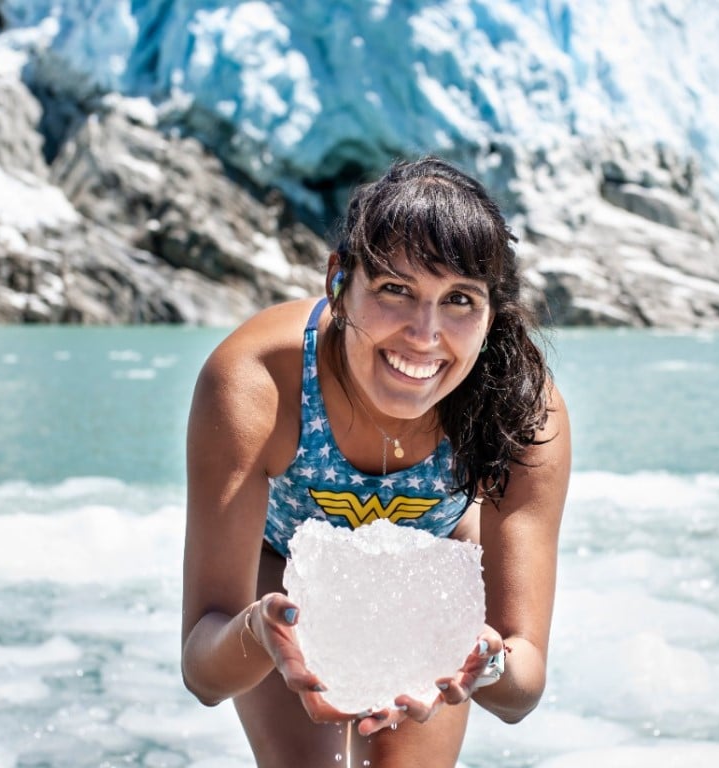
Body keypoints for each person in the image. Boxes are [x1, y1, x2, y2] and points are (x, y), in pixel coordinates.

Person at [182, 156, 571, 767]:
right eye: (396, 289)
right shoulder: (259, 382)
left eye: (460, 300)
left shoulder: (522, 411)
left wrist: (483, 658)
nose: (425, 333)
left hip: (432, 567)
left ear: (491, 314)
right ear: (339, 281)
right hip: (281, 570)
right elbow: (203, 671)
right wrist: (259, 631)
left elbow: (523, 687)